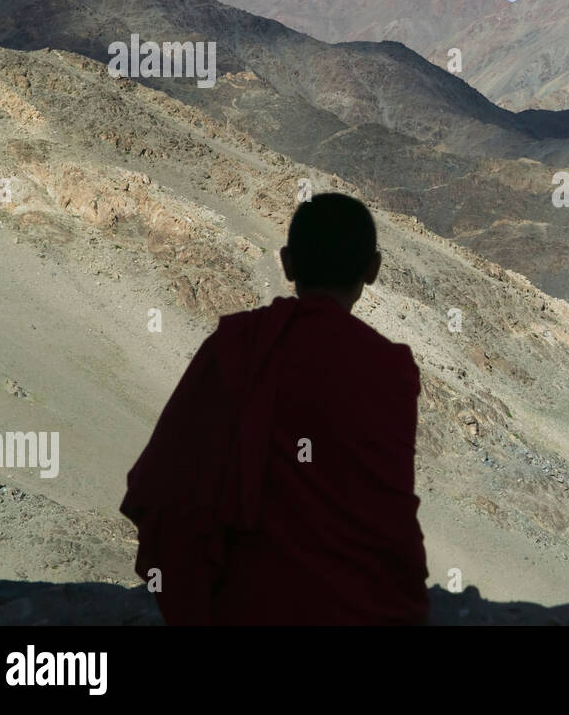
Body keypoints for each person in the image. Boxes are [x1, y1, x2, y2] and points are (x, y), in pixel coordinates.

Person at [120, 193, 429, 625]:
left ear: (286, 263)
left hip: (252, 604)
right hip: (375, 608)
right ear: (373, 269)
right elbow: (386, 513)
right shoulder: (390, 368)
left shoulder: (238, 346)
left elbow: (160, 484)